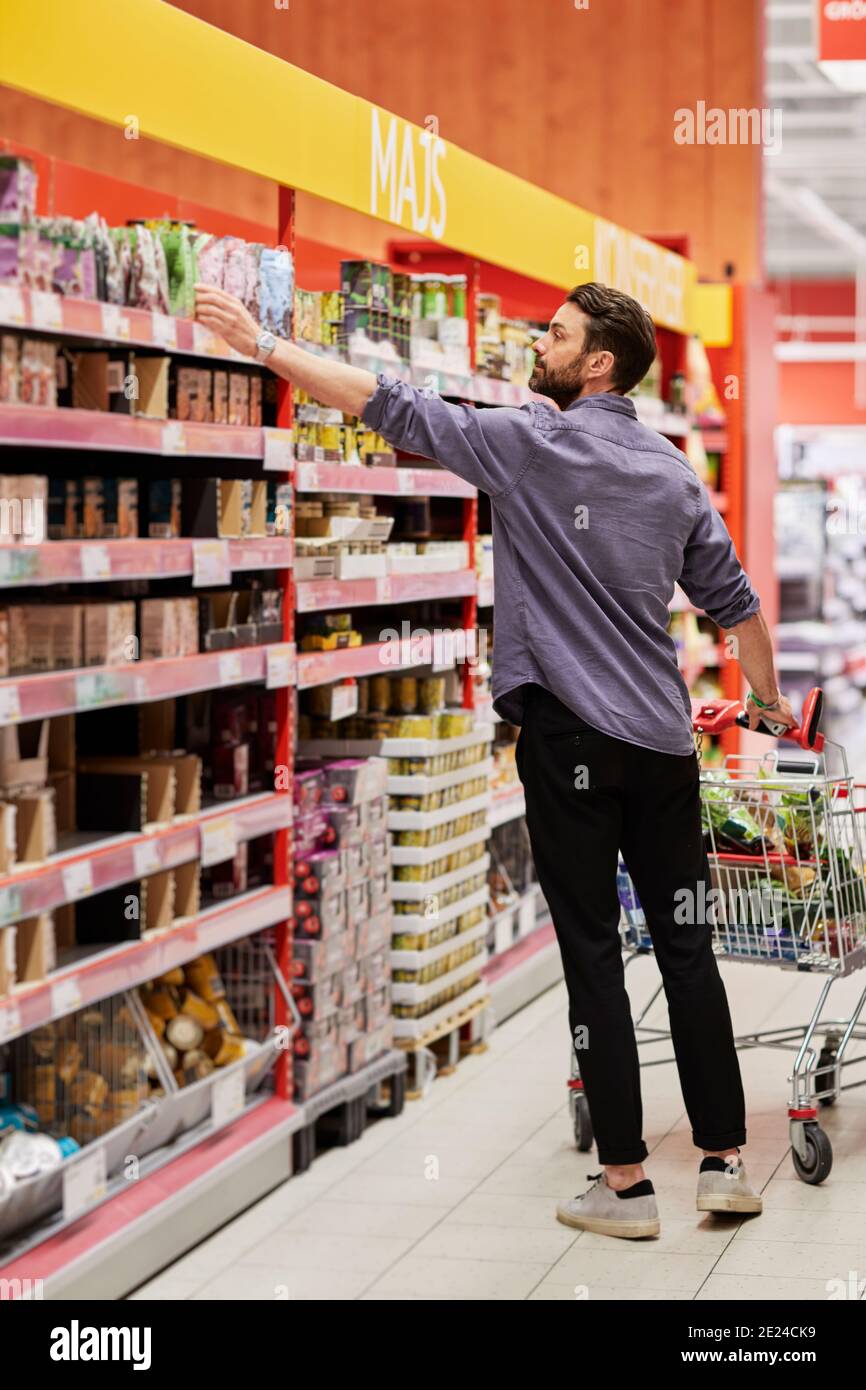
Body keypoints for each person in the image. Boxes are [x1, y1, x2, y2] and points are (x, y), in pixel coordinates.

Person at [195, 278, 795, 1240]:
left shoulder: (529, 444)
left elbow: (382, 402)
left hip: (571, 747)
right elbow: (742, 612)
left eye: (555, 335)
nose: (538, 344)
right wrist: (765, 709)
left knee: (595, 956)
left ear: (598, 362)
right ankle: (724, 1164)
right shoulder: (675, 471)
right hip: (662, 750)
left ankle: (628, 1185)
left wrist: (264, 342)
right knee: (689, 953)